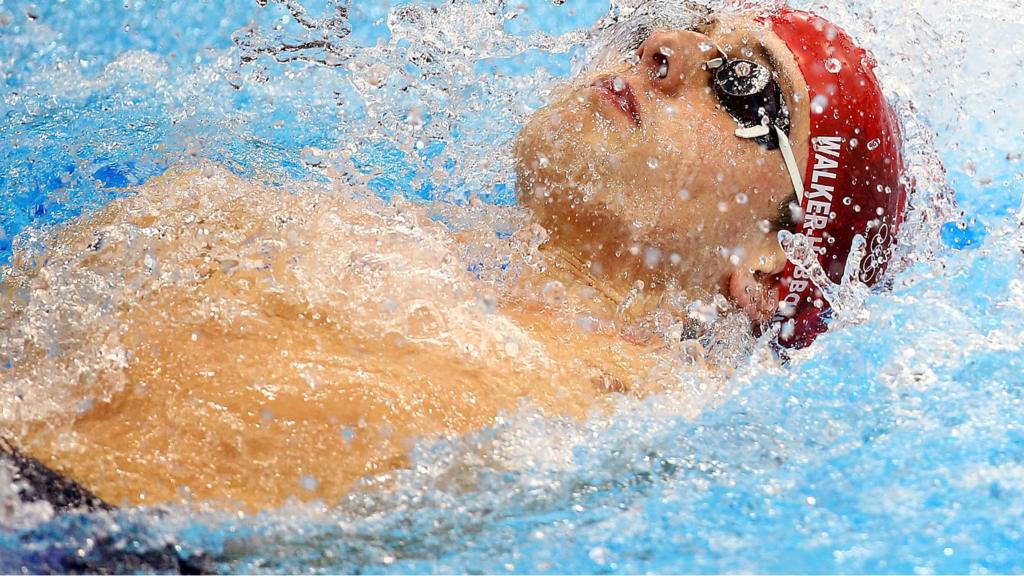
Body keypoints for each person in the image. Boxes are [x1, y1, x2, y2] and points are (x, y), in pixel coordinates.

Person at [0, 5, 907, 511]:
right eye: (681, 20)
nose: (664, 49)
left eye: (743, 85)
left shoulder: (568, 417)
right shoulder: (402, 254)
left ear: (768, 272)